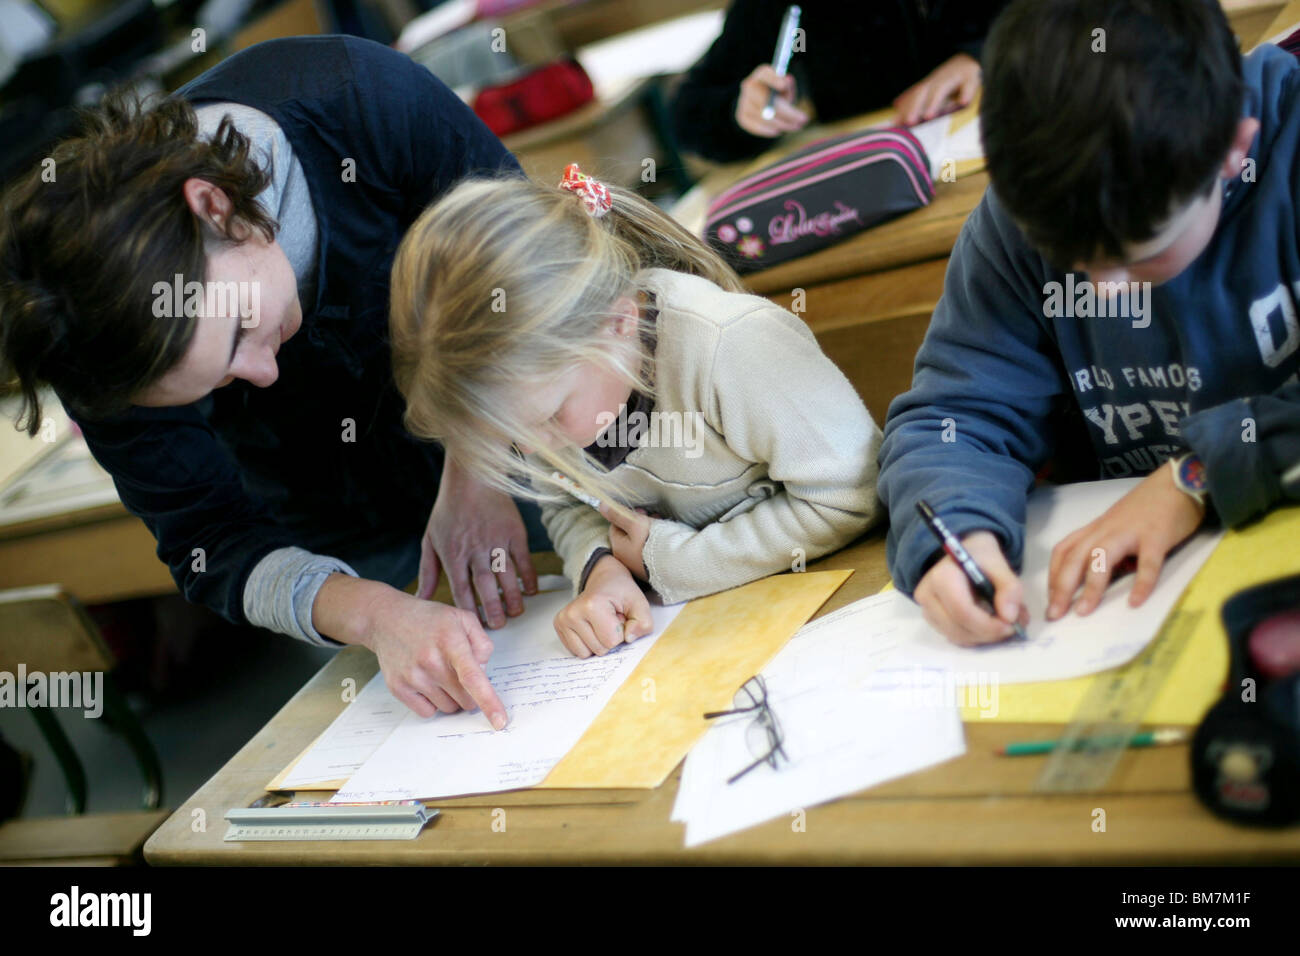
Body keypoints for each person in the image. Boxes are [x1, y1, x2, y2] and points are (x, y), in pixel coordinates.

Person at [0, 36, 549, 727]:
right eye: (215, 385)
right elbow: (211, 543)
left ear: (216, 207)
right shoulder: (95, 338)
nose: (262, 375)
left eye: (236, 335)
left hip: (519, 434)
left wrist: (478, 467)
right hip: (339, 535)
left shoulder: (362, 104)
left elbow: (527, 270)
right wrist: (374, 615)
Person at [877, 0, 1300, 647]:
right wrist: (954, 535)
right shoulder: (1026, 213)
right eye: (1075, 263)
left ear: (1232, 150)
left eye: (1143, 252)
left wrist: (1196, 477)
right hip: (1134, 613)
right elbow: (955, 418)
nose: (1104, 292)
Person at [388, 166, 882, 657]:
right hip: (714, 638)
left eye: (550, 419)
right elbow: (565, 505)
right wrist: (602, 568)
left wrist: (674, 564)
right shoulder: (537, 404)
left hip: (844, 614)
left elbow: (849, 496)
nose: (539, 447)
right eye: (512, 441)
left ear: (619, 322)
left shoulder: (729, 347)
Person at [671, 0, 1009, 163]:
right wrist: (739, 112)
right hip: (882, 185)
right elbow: (686, 115)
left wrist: (983, 54)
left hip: (1009, 149)